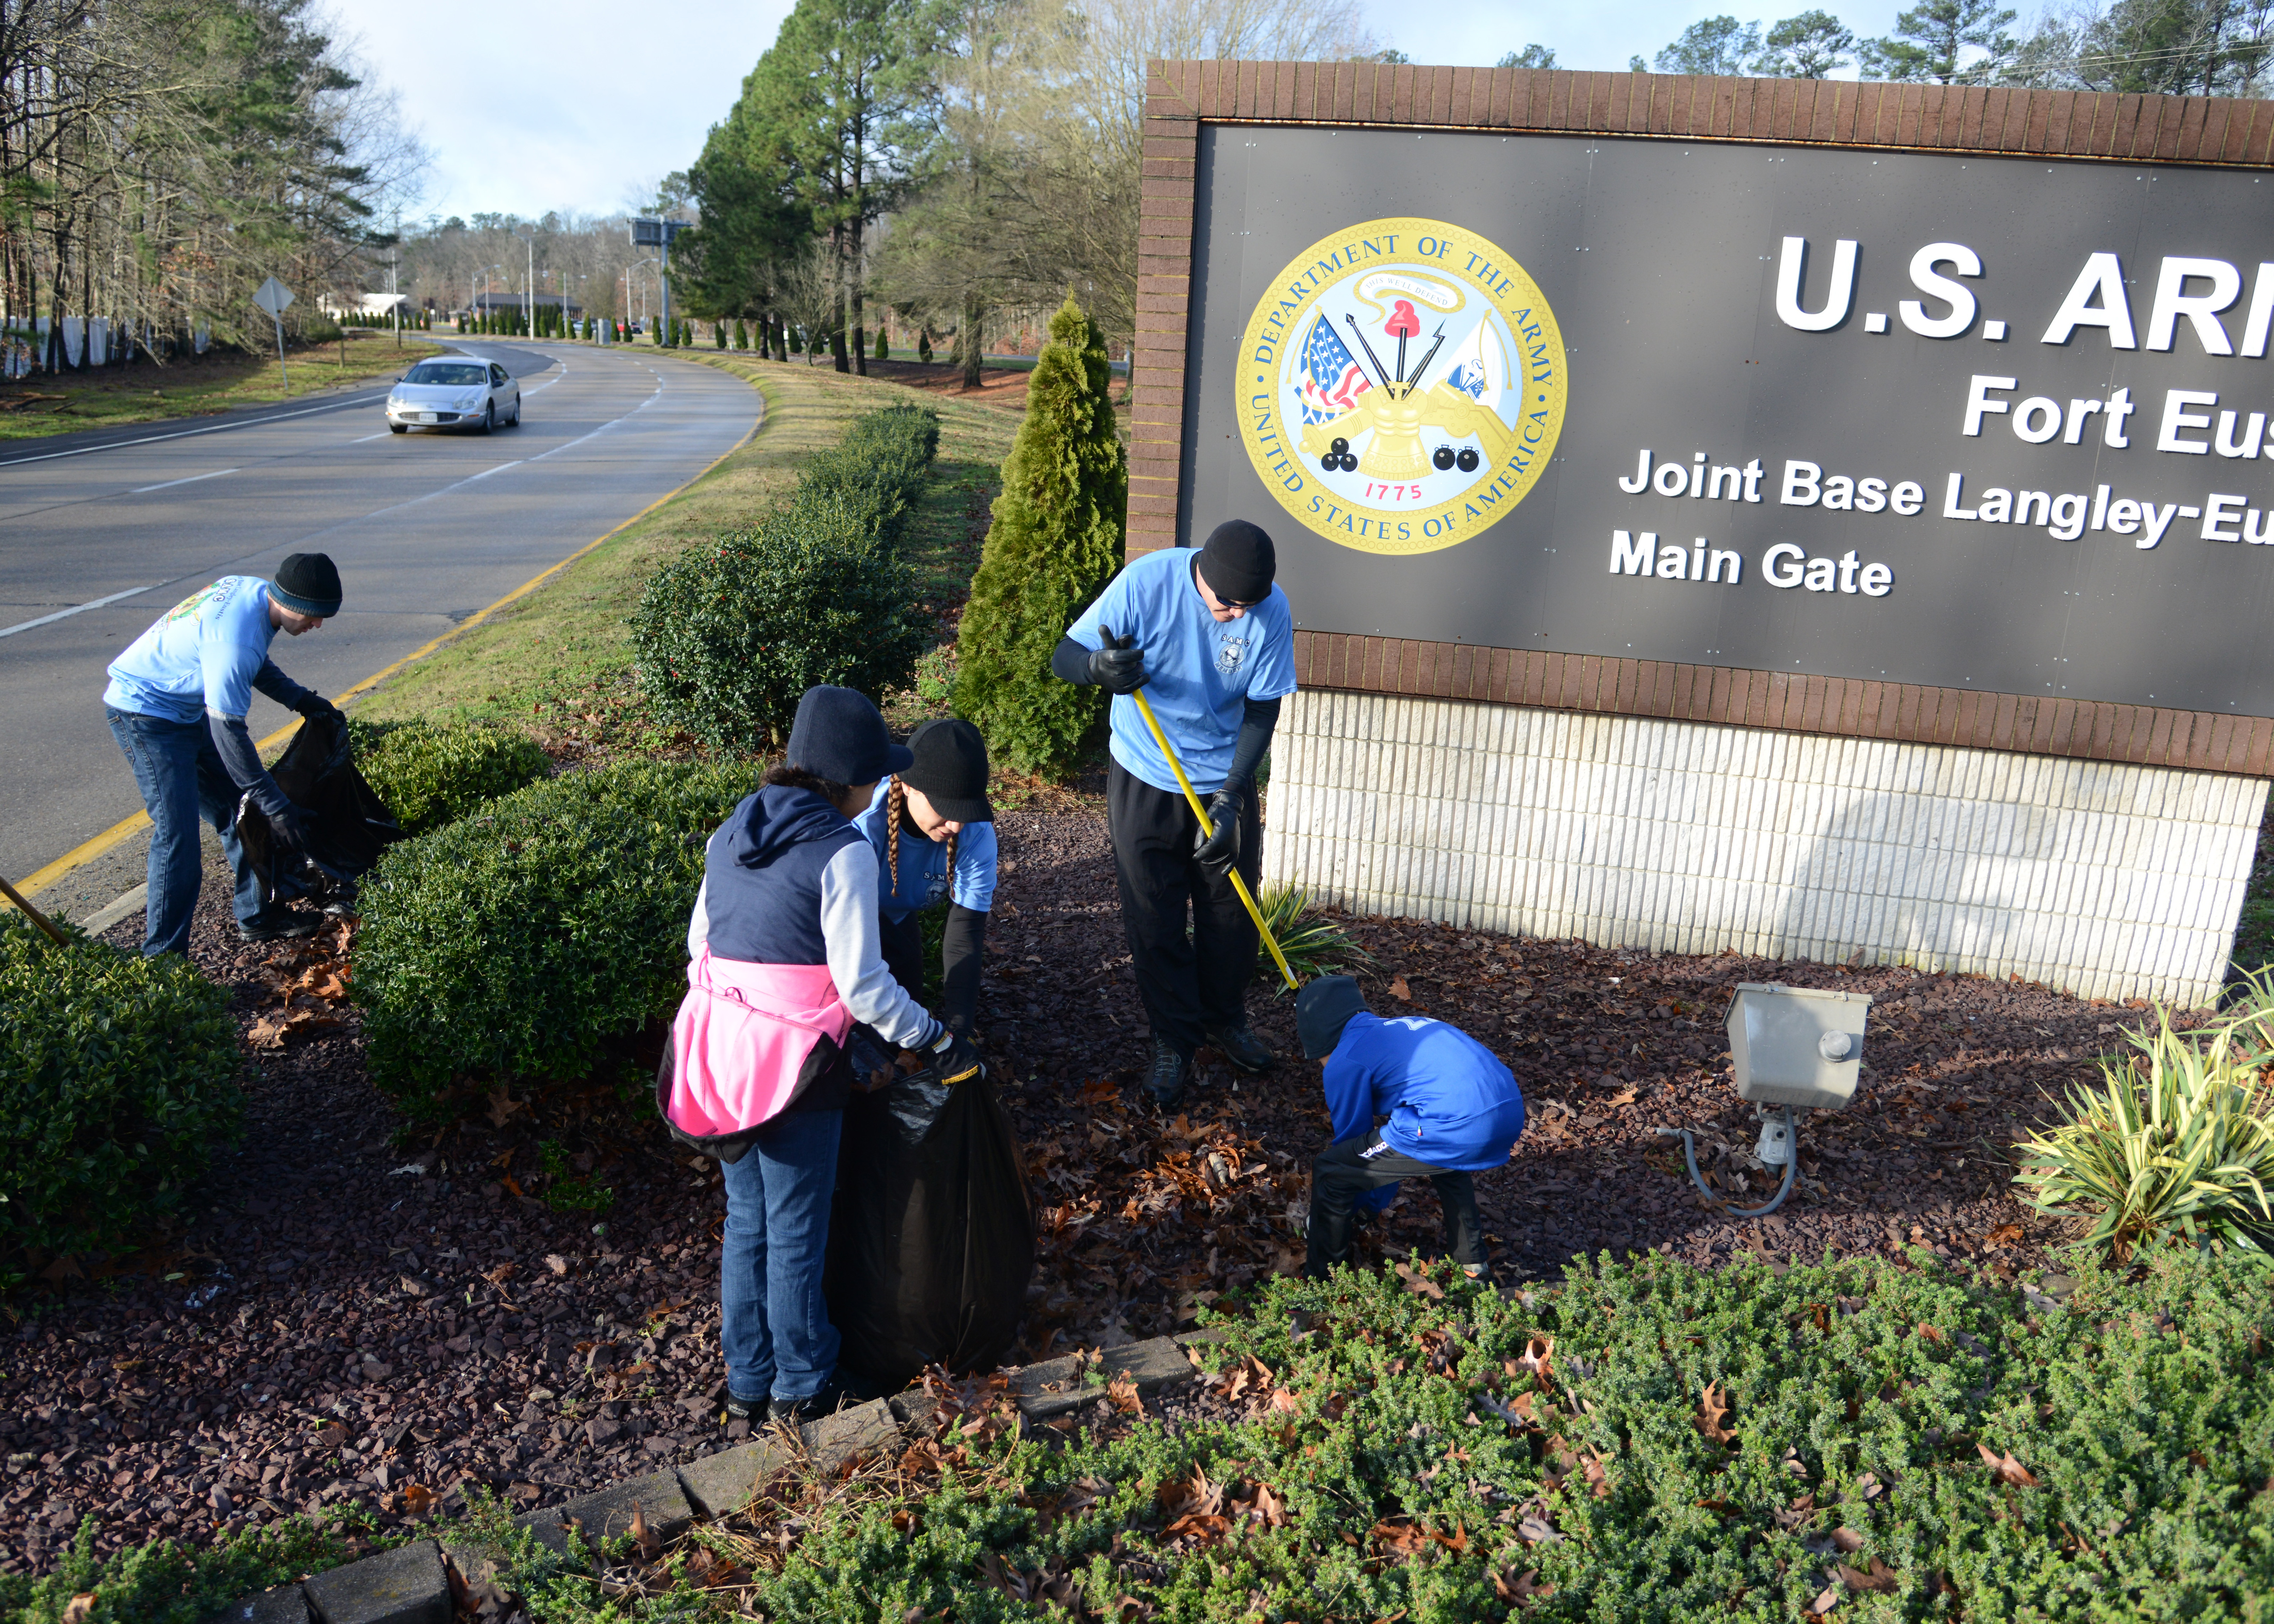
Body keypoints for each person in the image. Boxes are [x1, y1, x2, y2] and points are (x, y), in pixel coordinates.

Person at [664, 686, 981, 1428]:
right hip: (796, 1068)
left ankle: (747, 1380)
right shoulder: (844, 851)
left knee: (747, 1220)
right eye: (875, 777)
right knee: (797, 1225)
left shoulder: (732, 828)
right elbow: (865, 987)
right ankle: (803, 1382)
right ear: (850, 781)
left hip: (718, 1055)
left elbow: (699, 943)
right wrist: (930, 1034)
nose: (878, 790)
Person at [1053, 520, 1296, 1106]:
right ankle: (1173, 1038)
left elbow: (1261, 712)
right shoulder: (1145, 583)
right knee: (1152, 916)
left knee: (1230, 913)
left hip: (1220, 779)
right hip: (1144, 770)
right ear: (1200, 579)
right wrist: (1097, 669)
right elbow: (1066, 654)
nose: (1237, 615)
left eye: (1249, 605)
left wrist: (1231, 794)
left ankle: (1224, 1018)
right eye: (1227, 603)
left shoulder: (1271, 612)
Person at [101, 554, 346, 953]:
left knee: (242, 812)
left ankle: (258, 917)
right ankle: (163, 963)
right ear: (291, 602)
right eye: (314, 616)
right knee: (177, 838)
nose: (316, 625)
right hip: (144, 716)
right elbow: (230, 732)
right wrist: (277, 805)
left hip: (182, 710)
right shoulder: (235, 640)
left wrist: (301, 699)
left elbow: (255, 662)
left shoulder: (253, 594)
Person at [1296, 975, 1526, 1282]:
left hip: (1460, 1121)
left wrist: (1360, 1213)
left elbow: (1357, 1158)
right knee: (1444, 1160)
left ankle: (1320, 1281)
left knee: (1333, 1170)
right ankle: (1473, 1266)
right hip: (1510, 1109)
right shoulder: (1397, 1028)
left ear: (1321, 1041)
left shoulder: (1344, 1060)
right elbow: (1389, 1157)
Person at [854, 718, 997, 1038]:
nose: (957, 825)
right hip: (844, 924)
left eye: (965, 810)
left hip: (898, 917)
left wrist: (958, 1033)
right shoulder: (862, 826)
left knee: (908, 1023)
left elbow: (965, 932)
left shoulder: (975, 835)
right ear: (907, 785)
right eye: (946, 808)